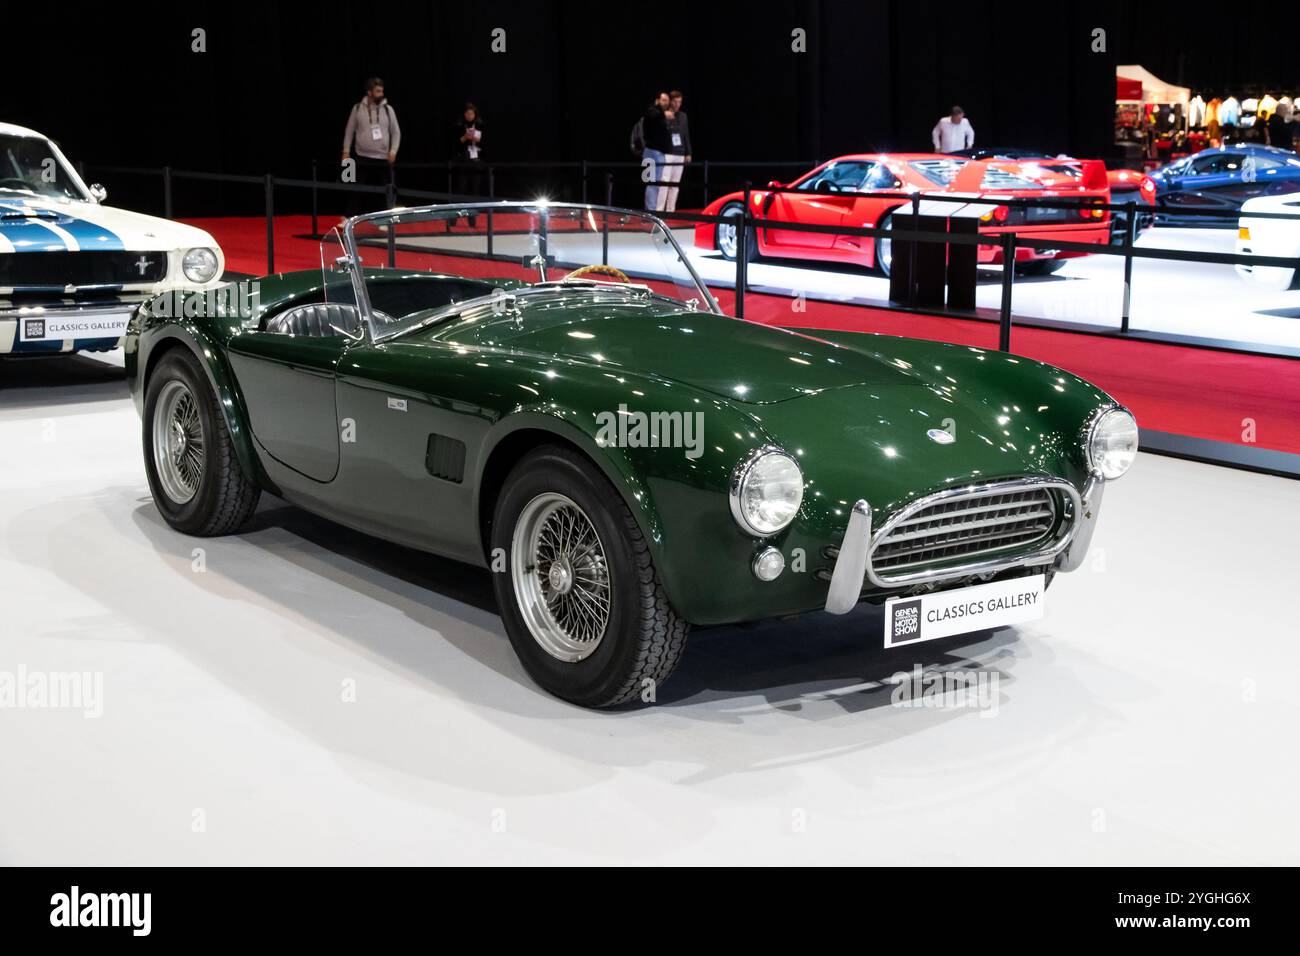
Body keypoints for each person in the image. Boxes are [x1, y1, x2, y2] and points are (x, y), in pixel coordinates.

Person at [341, 77, 401, 213]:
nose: (381, 94)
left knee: (387, 191)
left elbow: (396, 132)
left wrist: (393, 151)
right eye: (378, 91)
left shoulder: (388, 110)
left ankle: (388, 217)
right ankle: (349, 217)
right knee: (355, 190)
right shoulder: (357, 108)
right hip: (361, 157)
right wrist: (346, 151)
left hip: (383, 159)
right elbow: (349, 131)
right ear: (369, 92)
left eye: (382, 91)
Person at [641, 92, 673, 211]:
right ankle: (650, 210)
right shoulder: (652, 110)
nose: (666, 103)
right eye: (663, 100)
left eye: (667, 101)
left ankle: (651, 210)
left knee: (655, 183)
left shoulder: (660, 114)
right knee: (652, 183)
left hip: (658, 153)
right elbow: (652, 115)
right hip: (652, 152)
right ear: (657, 100)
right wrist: (664, 114)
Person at [662, 90, 692, 212]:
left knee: (675, 185)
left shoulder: (683, 116)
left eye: (679, 102)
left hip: (680, 153)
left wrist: (688, 152)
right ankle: (659, 211)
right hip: (667, 152)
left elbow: (686, 135)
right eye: (675, 101)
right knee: (664, 183)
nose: (677, 104)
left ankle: (670, 211)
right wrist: (666, 116)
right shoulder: (664, 114)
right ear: (670, 101)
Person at [451, 102, 486, 205]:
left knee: (476, 185)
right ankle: (459, 208)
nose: (469, 116)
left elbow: (485, 142)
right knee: (461, 186)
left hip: (476, 159)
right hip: (463, 159)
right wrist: (465, 137)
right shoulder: (459, 126)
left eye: (471, 114)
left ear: (475, 114)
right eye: (467, 113)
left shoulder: (480, 125)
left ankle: (476, 208)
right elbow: (455, 143)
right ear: (464, 114)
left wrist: (475, 138)